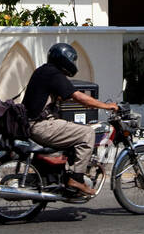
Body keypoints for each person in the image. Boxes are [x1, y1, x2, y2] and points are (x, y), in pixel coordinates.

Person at [22, 42, 119, 196]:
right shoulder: (54, 74)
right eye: (72, 60)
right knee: (87, 133)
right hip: (41, 125)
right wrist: (106, 106)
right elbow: (77, 95)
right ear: (64, 59)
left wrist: (84, 102)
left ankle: (64, 175)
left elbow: (65, 95)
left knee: (73, 129)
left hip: (33, 123)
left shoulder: (44, 71)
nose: (74, 64)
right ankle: (76, 178)